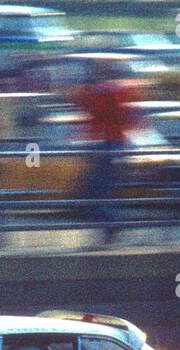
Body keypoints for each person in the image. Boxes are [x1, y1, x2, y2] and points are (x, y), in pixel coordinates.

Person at [72, 60, 139, 244]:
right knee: (105, 186)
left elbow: (89, 110)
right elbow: (129, 116)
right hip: (114, 142)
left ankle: (111, 221)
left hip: (104, 143)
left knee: (98, 187)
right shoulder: (122, 90)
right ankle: (110, 222)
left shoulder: (103, 92)